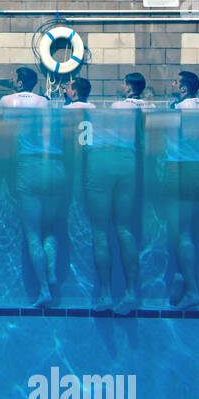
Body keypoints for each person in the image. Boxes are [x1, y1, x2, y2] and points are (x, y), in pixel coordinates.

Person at [82, 73, 154, 312]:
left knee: (100, 231)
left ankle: (104, 293)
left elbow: (85, 137)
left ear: (128, 86)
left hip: (101, 160)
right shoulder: (148, 108)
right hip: (128, 161)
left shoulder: (116, 107)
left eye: (123, 83)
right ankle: (132, 291)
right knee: (124, 229)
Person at [153, 70, 199, 309]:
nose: (171, 83)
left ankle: (190, 288)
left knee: (181, 232)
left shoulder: (176, 110)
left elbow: (154, 131)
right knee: (195, 230)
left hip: (180, 169)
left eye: (174, 81)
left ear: (184, 88)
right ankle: (182, 277)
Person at [1, 67, 67, 307]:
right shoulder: (45, 102)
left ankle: (43, 290)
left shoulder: (7, 100)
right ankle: (51, 274)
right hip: (55, 166)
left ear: (19, 82)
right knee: (49, 228)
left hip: (29, 164)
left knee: (32, 233)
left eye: (13, 78)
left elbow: (5, 137)